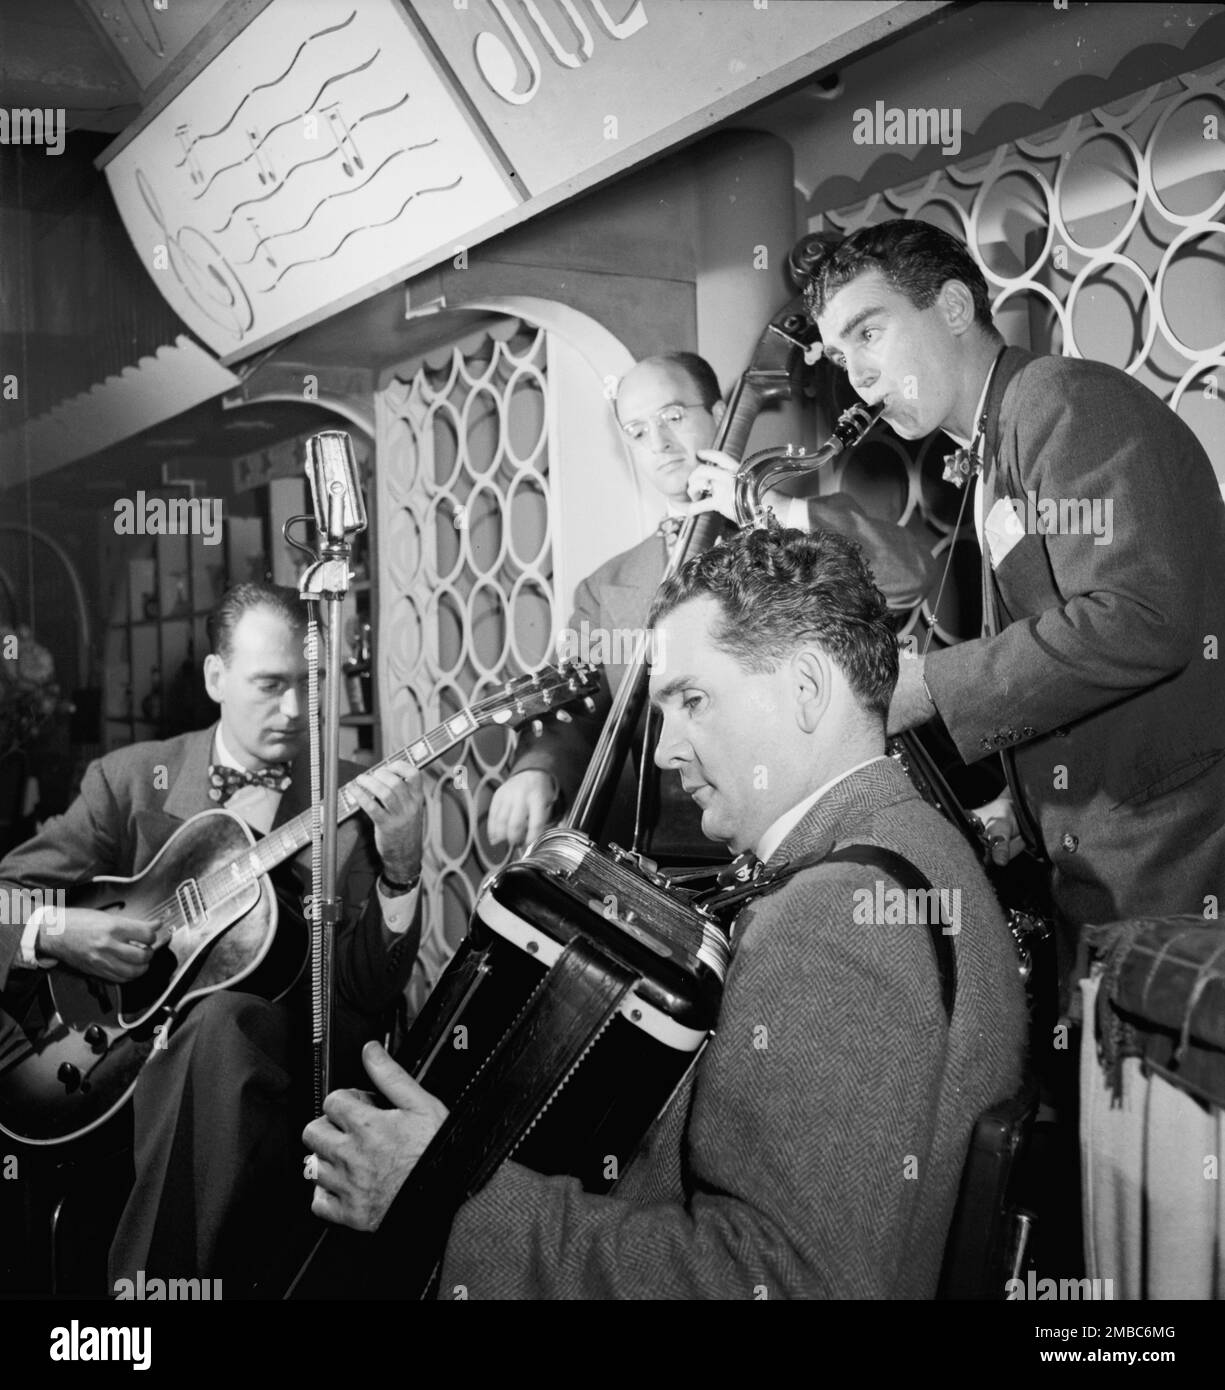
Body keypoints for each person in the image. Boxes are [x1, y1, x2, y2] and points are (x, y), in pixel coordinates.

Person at [303, 526, 1027, 1299]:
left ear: (807, 689)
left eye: (692, 700)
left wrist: (443, 1196)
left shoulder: (835, 919)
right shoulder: (912, 845)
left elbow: (780, 1282)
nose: (662, 751)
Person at [806, 218, 1225, 1296]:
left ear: (952, 305)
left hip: (1176, 862)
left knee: (1176, 1227)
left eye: (867, 329)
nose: (853, 371)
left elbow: (1144, 614)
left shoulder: (1057, 404)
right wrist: (1011, 815)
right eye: (835, 349)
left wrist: (928, 688)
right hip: (1123, 866)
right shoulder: (992, 449)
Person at [0, 583, 423, 1296]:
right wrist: (57, 930)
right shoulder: (129, 782)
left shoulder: (354, 801)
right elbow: (12, 893)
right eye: (269, 685)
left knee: (222, 1022)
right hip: (107, 1062)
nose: (293, 712)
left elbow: (367, 990)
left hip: (280, 1071)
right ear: (214, 678)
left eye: (306, 687)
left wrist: (403, 873)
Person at [487, 351, 937, 861]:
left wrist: (766, 510)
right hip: (662, 857)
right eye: (636, 431)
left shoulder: (786, 531)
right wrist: (538, 769)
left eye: (673, 417)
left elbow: (909, 576)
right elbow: (580, 708)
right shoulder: (604, 586)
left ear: (720, 415)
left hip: (802, 843)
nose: (658, 443)